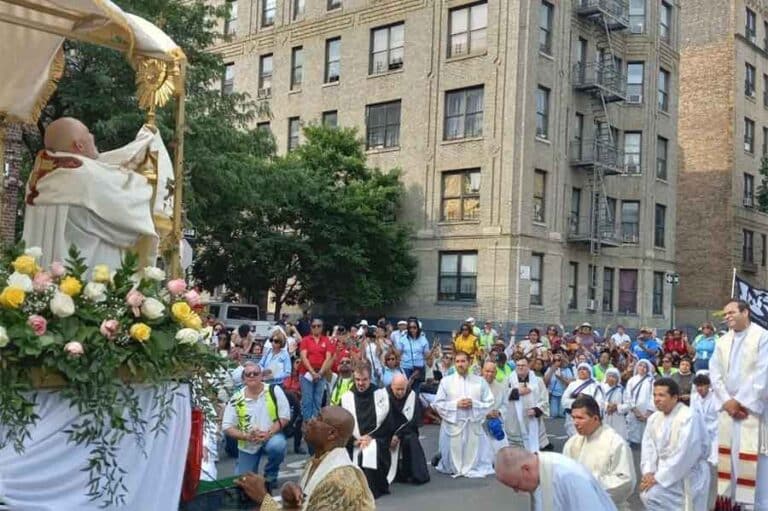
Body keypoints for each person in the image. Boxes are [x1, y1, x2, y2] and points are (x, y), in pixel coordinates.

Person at [23, 117, 164, 271]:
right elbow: (130, 206)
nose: (92, 136)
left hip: (42, 278)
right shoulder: (84, 175)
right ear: (79, 145)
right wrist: (150, 165)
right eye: (88, 133)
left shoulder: (39, 174)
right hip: (86, 279)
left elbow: (107, 166)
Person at [237, 406, 375, 511]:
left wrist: (263, 499)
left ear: (331, 434)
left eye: (318, 418)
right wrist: (289, 502)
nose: (310, 420)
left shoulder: (340, 479)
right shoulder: (316, 461)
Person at [709, 299, 768, 508]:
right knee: (731, 467)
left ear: (746, 312)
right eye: (725, 315)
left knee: (757, 471)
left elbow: (762, 374)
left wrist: (740, 402)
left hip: (752, 412)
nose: (727, 317)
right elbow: (714, 374)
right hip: (729, 412)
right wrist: (727, 401)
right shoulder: (722, 341)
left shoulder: (762, 337)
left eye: (731, 313)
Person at [640, 378, 710, 511]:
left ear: (674, 397)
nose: (656, 399)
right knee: (648, 495)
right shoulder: (654, 418)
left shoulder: (688, 416)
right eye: (654, 395)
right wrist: (649, 472)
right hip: (665, 473)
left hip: (689, 474)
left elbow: (686, 453)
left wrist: (658, 478)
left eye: (661, 395)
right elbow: (648, 448)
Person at [222, 362, 290, 491]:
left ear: (262, 376)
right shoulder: (236, 398)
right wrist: (246, 436)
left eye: (255, 373)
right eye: (248, 374)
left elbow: (285, 416)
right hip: (247, 443)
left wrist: (269, 433)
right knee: (243, 483)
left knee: (278, 445)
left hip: (271, 436)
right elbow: (226, 426)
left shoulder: (273, 390)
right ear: (243, 379)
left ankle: (271, 474)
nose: (252, 376)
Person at [563, 395, 636, 511]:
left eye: (580, 418)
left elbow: (625, 481)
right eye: (573, 418)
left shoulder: (615, 442)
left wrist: (589, 483)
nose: (575, 423)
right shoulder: (572, 443)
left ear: (595, 418)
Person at [432, 350, 496, 478]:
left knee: (474, 455)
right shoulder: (446, 381)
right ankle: (452, 465)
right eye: (457, 361)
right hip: (453, 425)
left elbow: (490, 402)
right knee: (452, 457)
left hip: (472, 424)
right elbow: (437, 404)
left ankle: (472, 466)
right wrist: (456, 404)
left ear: (469, 362)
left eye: (463, 361)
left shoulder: (480, 381)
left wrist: (474, 404)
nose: (460, 364)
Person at [495, 446, 618, 510]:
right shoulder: (541, 470)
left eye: (516, 485)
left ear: (526, 469)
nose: (517, 491)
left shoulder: (569, 477)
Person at [339, 362, 394, 498]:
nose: (361, 383)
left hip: (378, 441)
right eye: (357, 379)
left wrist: (372, 437)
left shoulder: (381, 395)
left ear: (370, 379)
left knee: (369, 452)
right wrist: (353, 441)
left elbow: (389, 422)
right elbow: (341, 425)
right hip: (354, 444)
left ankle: (373, 489)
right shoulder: (346, 398)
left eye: (364, 380)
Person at [387, 374, 430, 485]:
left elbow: (413, 420)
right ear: (392, 386)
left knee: (411, 439)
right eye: (397, 389)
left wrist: (398, 435)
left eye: (403, 389)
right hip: (387, 432)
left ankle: (414, 474)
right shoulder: (383, 395)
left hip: (406, 431)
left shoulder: (412, 396)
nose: (400, 392)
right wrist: (390, 435)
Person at [505, 358, 549, 452]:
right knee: (516, 449)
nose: (520, 367)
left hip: (532, 418)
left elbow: (544, 398)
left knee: (533, 446)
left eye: (523, 365)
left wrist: (536, 410)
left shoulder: (538, 381)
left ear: (528, 367)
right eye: (518, 365)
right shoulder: (508, 380)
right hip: (514, 419)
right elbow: (502, 395)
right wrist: (516, 391)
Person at [691, 372, 719, 511]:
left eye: (702, 386)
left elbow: (719, 419)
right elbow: (692, 416)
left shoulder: (716, 398)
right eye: (697, 386)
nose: (699, 389)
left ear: (708, 386)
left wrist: (706, 429)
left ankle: (713, 502)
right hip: (699, 436)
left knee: (713, 468)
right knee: (699, 469)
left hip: (714, 435)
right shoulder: (694, 398)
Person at [299, 319, 334, 428]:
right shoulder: (305, 340)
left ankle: (315, 424)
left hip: (321, 373)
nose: (316, 328)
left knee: (318, 400)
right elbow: (303, 357)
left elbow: (328, 358)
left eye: (318, 326)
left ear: (322, 327)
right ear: (311, 328)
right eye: (314, 326)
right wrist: (313, 372)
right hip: (306, 373)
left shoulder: (326, 340)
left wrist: (320, 372)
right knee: (307, 400)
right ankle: (307, 424)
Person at [562, 362, 605, 437]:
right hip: (573, 416)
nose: (582, 371)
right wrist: (578, 403)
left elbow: (599, 402)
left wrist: (585, 403)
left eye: (584, 369)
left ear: (589, 372)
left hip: (588, 416)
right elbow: (564, 401)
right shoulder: (572, 384)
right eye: (580, 369)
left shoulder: (595, 385)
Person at [624, 359, 656, 448]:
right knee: (633, 432)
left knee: (646, 433)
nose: (642, 368)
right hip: (634, 412)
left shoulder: (651, 381)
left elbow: (653, 396)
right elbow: (628, 396)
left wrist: (648, 412)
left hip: (647, 412)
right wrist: (635, 411)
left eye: (645, 366)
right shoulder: (631, 380)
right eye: (640, 365)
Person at [394, 317, 430, 393]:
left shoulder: (423, 339)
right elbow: (398, 354)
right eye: (410, 327)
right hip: (406, 368)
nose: (412, 329)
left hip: (418, 369)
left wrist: (432, 350)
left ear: (418, 328)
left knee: (416, 392)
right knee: (405, 390)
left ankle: (414, 404)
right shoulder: (403, 339)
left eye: (414, 327)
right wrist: (391, 347)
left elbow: (426, 356)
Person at [481, 360, 510, 455]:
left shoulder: (501, 387)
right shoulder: (474, 386)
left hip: (496, 424)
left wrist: (499, 412)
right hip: (479, 426)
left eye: (492, 372)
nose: (489, 374)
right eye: (487, 371)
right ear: (482, 371)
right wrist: (485, 414)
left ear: (496, 373)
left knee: (503, 455)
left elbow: (505, 405)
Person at [543, 351, 574, 418]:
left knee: (562, 414)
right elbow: (545, 383)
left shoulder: (567, 370)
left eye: (558, 360)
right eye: (555, 360)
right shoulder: (549, 369)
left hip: (564, 395)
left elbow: (571, 384)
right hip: (553, 395)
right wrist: (551, 370)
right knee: (554, 414)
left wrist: (561, 377)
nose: (557, 362)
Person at [602, 368, 628, 439]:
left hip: (618, 420)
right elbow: (596, 402)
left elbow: (628, 405)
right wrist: (607, 406)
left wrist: (617, 407)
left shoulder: (621, 390)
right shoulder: (600, 388)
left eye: (614, 377)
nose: (611, 378)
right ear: (606, 377)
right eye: (609, 376)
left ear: (617, 379)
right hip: (604, 417)